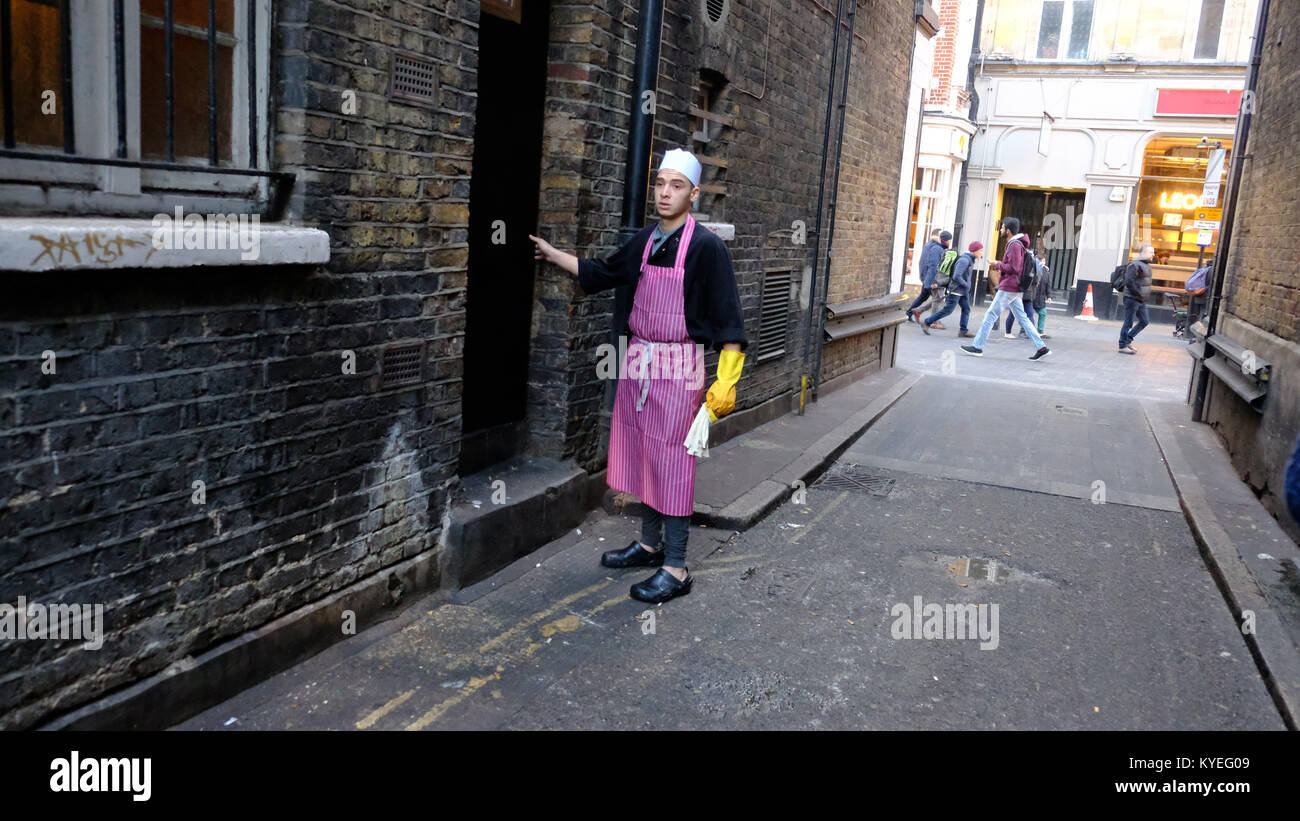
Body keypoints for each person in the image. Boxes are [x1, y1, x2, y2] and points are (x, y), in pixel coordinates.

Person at [529, 148, 747, 604]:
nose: (665, 193)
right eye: (661, 183)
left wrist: (724, 383)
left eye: (677, 186)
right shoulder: (646, 241)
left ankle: (677, 566)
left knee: (673, 464)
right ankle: (650, 546)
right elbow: (601, 272)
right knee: (647, 456)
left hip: (679, 367)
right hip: (641, 362)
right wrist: (552, 255)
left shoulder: (707, 247)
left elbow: (730, 323)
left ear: (694, 193)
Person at [960, 217, 1051, 360]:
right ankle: (1042, 347)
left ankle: (977, 347)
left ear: (1008, 230)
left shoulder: (1014, 245)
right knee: (1023, 318)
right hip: (1015, 287)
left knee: (990, 315)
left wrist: (997, 264)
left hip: (1009, 286)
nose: (1001, 229)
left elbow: (1015, 267)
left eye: (1002, 227)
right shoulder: (1018, 244)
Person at [921, 240, 981, 337]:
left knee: (966, 309)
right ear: (974, 250)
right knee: (948, 310)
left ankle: (963, 331)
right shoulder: (964, 260)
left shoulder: (969, 260)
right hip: (956, 290)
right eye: (980, 250)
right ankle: (927, 322)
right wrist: (966, 285)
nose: (981, 253)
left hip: (963, 291)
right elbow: (956, 276)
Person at [906, 229, 951, 324]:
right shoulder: (932, 246)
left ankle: (913, 312)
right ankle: (932, 320)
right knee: (936, 299)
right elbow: (924, 262)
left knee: (927, 298)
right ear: (937, 236)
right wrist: (923, 278)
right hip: (929, 277)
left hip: (929, 277)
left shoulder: (933, 245)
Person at [1118, 244, 1155, 355]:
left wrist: (1142, 296)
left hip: (1141, 299)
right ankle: (1122, 345)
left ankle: (1128, 340)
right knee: (1128, 322)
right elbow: (1129, 281)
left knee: (1144, 321)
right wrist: (1138, 294)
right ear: (1143, 253)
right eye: (1150, 252)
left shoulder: (1146, 265)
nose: (1153, 254)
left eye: (1153, 252)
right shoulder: (1134, 265)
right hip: (1132, 298)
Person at [1185, 257, 1212, 328]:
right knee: (1203, 317)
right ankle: (1198, 333)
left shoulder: (1203, 270)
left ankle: (1196, 332)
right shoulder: (1211, 271)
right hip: (1205, 297)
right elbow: (1210, 285)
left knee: (1199, 315)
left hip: (1198, 296)